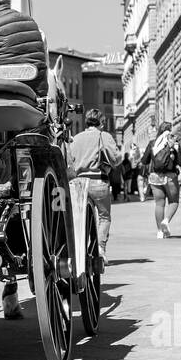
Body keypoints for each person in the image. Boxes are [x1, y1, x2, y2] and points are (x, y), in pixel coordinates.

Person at [67, 108, 123, 257]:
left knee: (81, 217)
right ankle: (100, 248)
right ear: (102, 123)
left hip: (78, 182)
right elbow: (116, 158)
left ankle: (81, 248)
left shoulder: (76, 138)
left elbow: (69, 161)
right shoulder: (103, 136)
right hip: (98, 180)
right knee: (104, 216)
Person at [140, 122, 181, 239]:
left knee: (159, 204)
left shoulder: (153, 143)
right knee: (174, 202)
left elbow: (144, 161)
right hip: (170, 176)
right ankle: (166, 221)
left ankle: (159, 231)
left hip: (155, 177)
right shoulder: (173, 143)